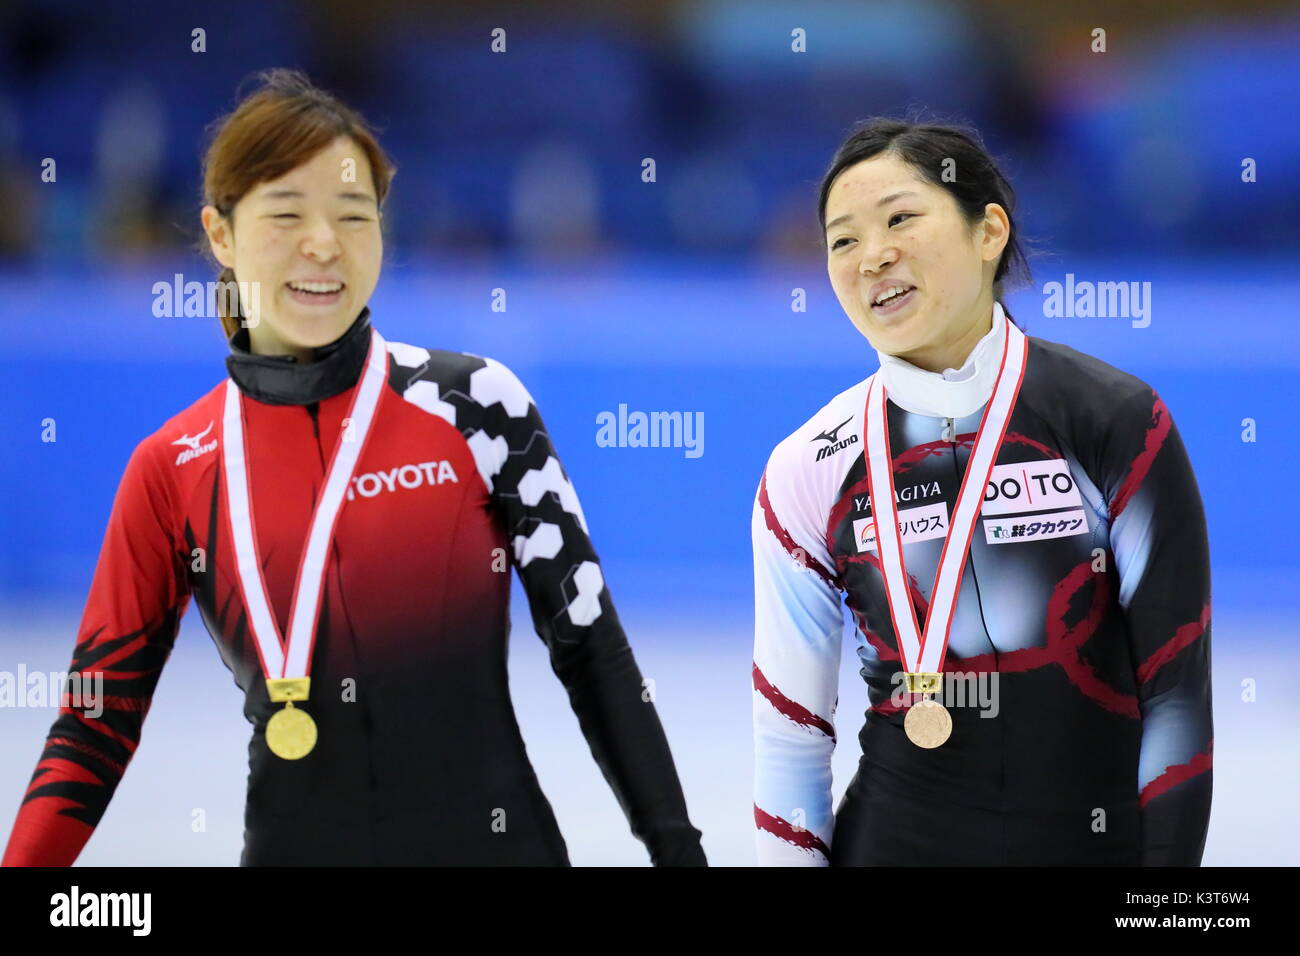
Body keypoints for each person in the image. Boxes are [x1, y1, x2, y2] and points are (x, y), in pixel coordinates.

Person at [3, 68, 705, 867]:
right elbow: (96, 722)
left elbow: (594, 651)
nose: (325, 245)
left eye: (353, 215)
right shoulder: (172, 467)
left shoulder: (476, 405)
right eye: (287, 214)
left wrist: (678, 851)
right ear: (221, 234)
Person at [751, 116, 1212, 866]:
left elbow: (1177, 694)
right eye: (842, 240)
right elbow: (790, 728)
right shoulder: (808, 465)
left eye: (900, 218)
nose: (873, 256)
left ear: (989, 230)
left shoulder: (1118, 420)